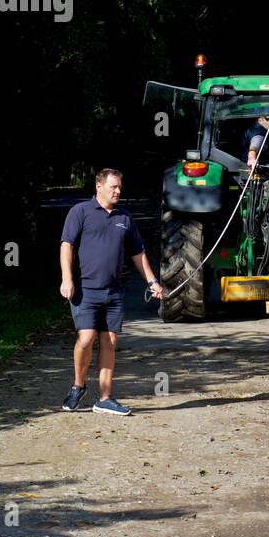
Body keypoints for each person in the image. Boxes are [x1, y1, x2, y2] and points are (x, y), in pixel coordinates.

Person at [58, 168, 164, 415]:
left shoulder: (124, 217)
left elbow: (138, 253)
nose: (118, 191)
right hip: (85, 290)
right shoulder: (80, 212)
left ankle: (104, 398)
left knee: (110, 341)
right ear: (99, 187)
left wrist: (152, 282)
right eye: (113, 187)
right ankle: (78, 385)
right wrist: (66, 278)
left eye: (119, 187)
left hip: (114, 292)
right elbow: (66, 245)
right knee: (86, 339)